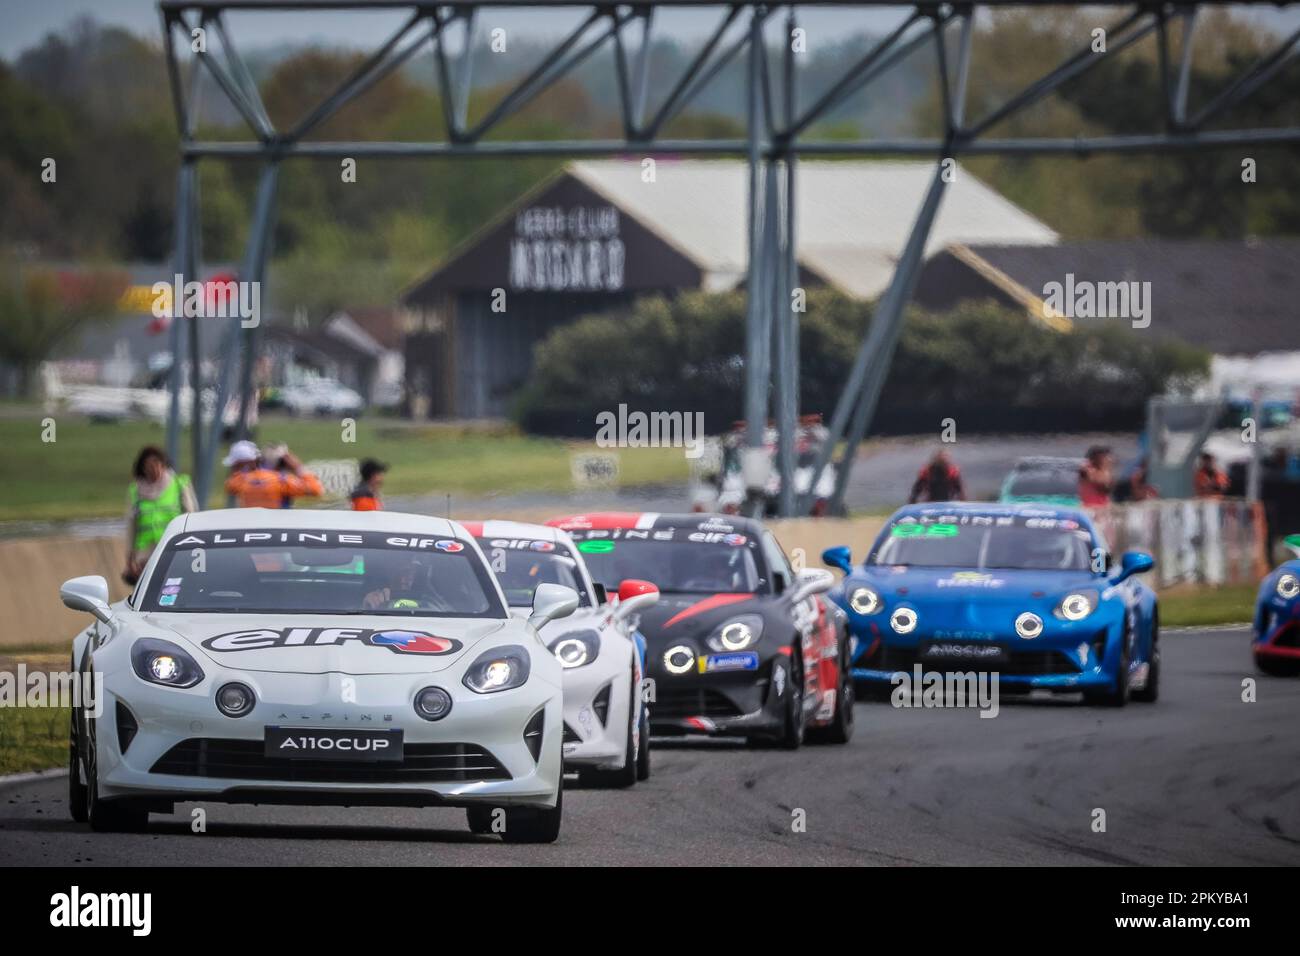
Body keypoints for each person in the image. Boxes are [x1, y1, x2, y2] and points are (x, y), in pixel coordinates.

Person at [124, 446, 197, 585]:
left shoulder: (179, 484)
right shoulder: (135, 491)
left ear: (164, 465)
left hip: (174, 551)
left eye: (157, 464)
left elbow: (190, 516)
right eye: (149, 466)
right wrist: (129, 558)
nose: (154, 469)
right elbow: (131, 526)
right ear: (142, 468)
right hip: (145, 555)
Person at [223, 439, 323, 508]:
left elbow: (230, 483)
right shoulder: (282, 480)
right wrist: (296, 465)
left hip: (249, 528)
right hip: (278, 529)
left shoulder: (240, 481)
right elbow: (315, 489)